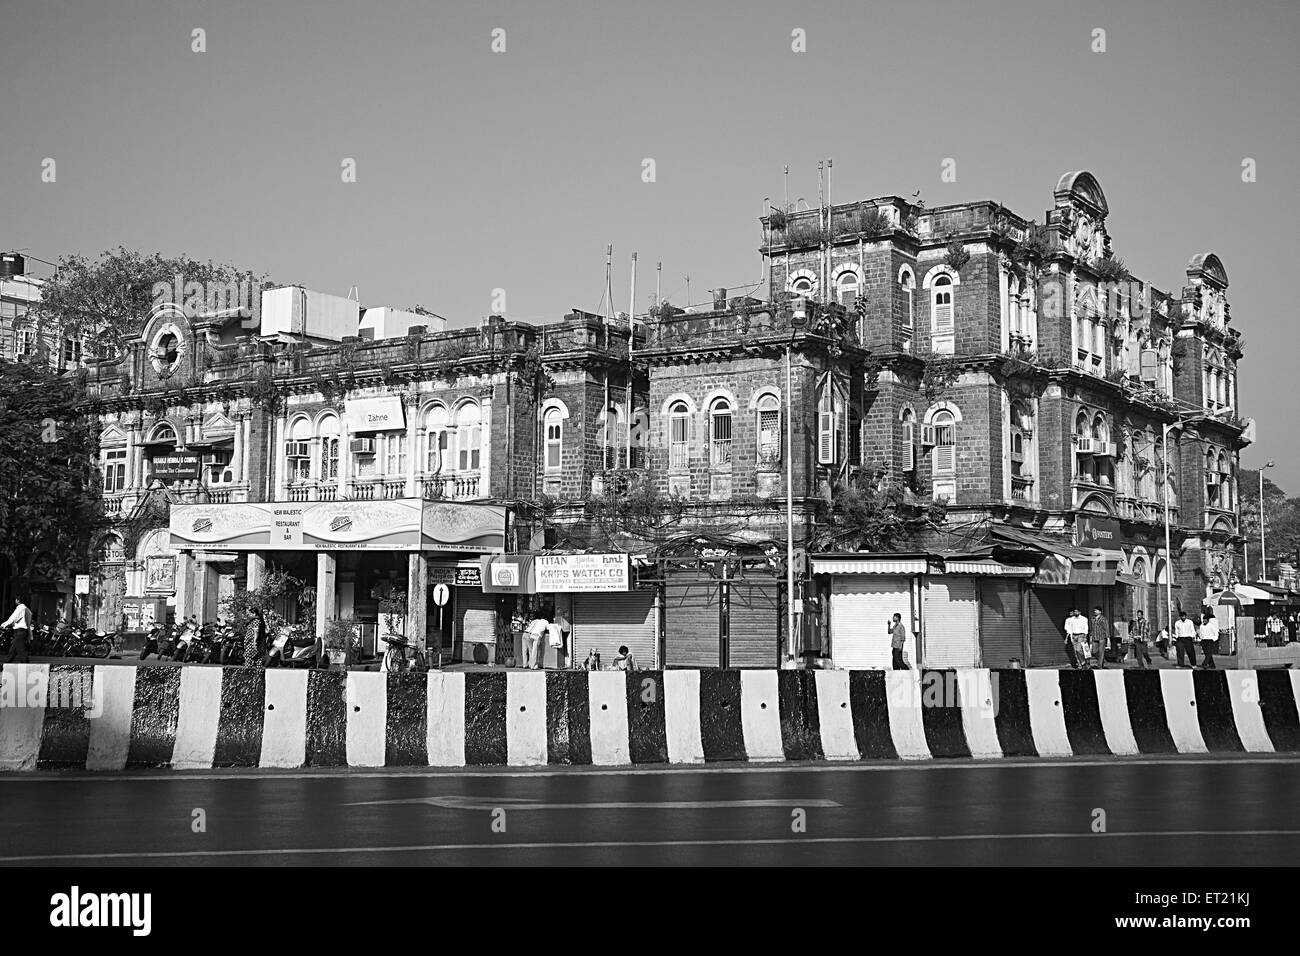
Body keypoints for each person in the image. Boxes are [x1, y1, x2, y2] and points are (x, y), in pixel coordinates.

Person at [2, 596, 33, 664]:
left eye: (16, 599)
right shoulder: (27, 609)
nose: (15, 600)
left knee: (22, 651)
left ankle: (26, 665)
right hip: (23, 631)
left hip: (20, 631)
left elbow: (13, 618)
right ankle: (6, 664)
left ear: (18, 600)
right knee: (13, 649)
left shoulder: (21, 608)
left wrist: (4, 625)